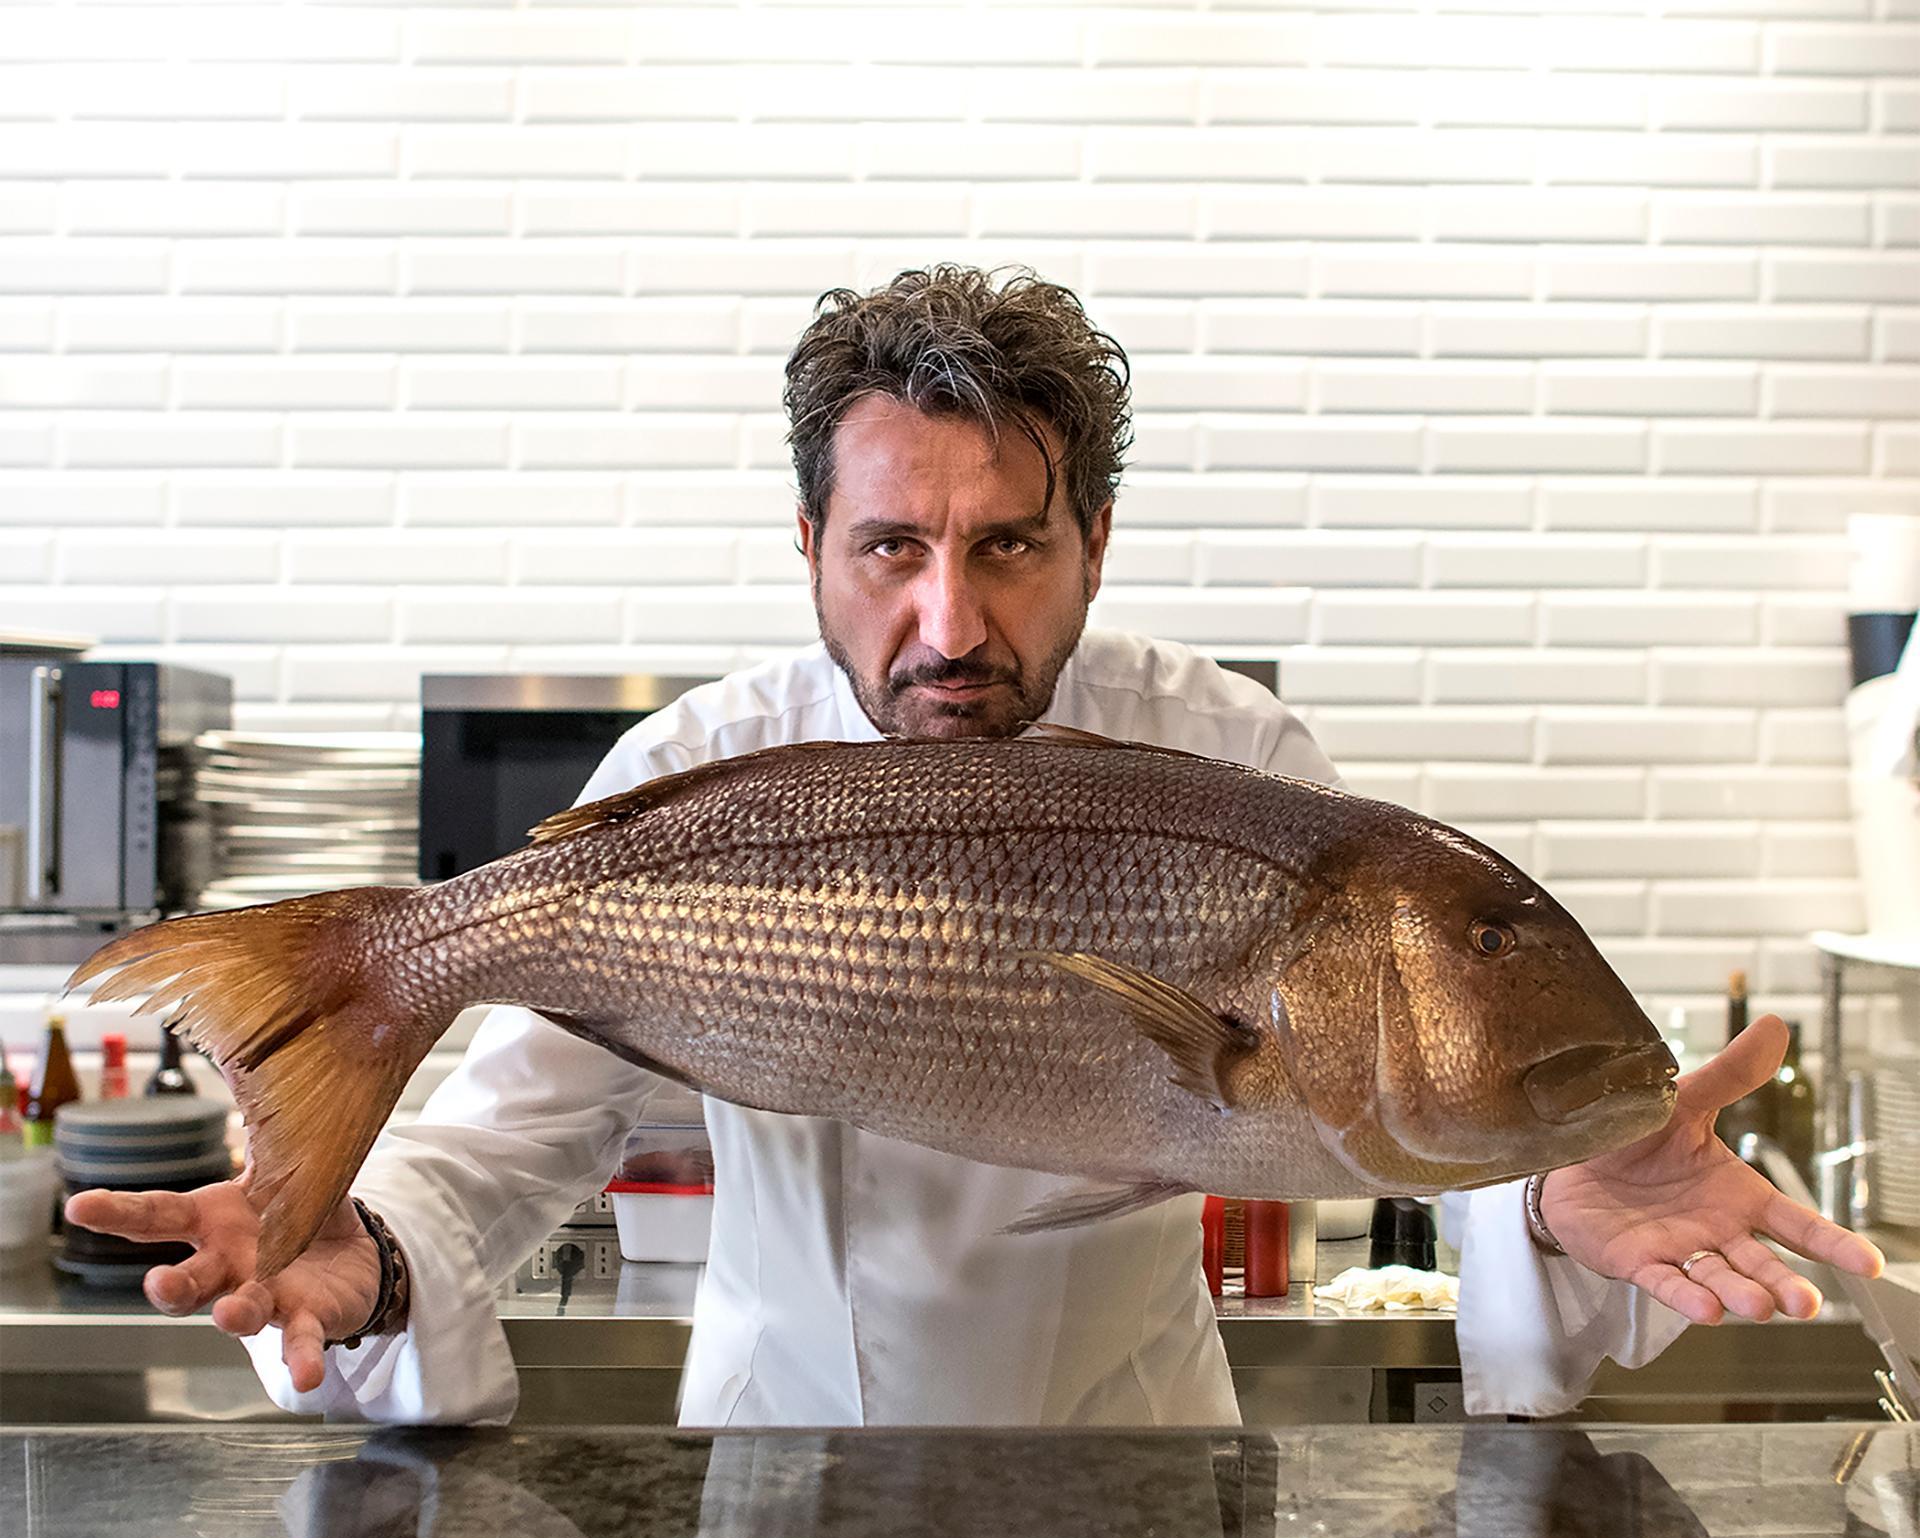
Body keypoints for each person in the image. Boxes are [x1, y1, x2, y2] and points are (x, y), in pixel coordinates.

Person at [68, 265, 1884, 1427]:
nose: (951, 622)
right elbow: (506, 1144)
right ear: (810, 546)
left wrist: (1551, 1182)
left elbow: (1376, 1084)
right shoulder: (699, 766)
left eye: (1010, 546)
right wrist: (368, 1256)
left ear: (1095, 539)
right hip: (784, 1467)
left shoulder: (1238, 761)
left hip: (1129, 1465)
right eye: (892, 550)